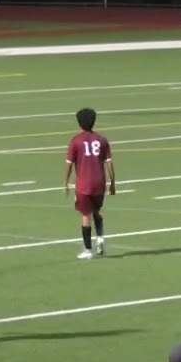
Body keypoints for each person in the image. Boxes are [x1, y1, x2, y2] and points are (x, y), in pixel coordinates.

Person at [64, 107, 116, 260]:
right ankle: (100, 241)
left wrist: (65, 182)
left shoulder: (76, 141)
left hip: (84, 184)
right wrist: (113, 182)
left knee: (85, 215)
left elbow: (69, 164)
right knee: (97, 211)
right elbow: (109, 163)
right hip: (100, 182)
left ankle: (87, 250)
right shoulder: (102, 140)